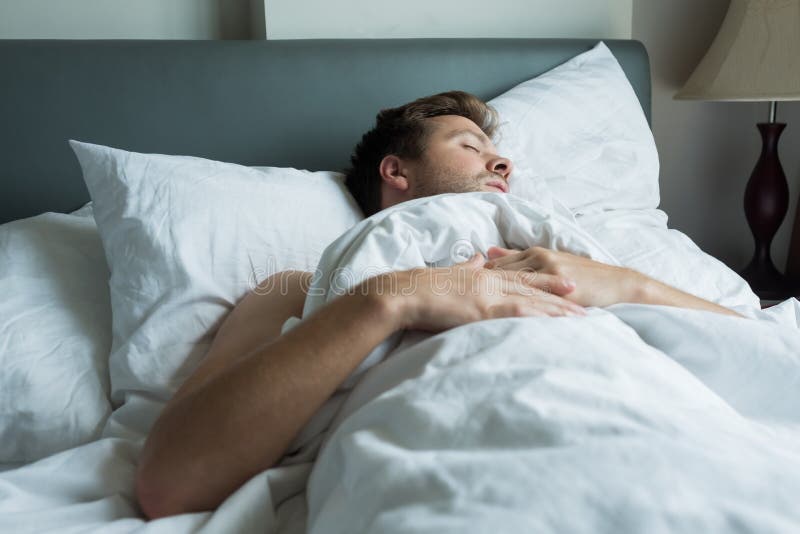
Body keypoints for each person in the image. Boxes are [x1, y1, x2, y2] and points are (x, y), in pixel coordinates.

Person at [135, 91, 741, 520]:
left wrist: (629, 285)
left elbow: (760, 354)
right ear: (395, 170)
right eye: (469, 145)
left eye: (495, 151)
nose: (501, 162)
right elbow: (172, 481)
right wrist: (392, 297)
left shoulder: (581, 259)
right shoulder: (303, 287)